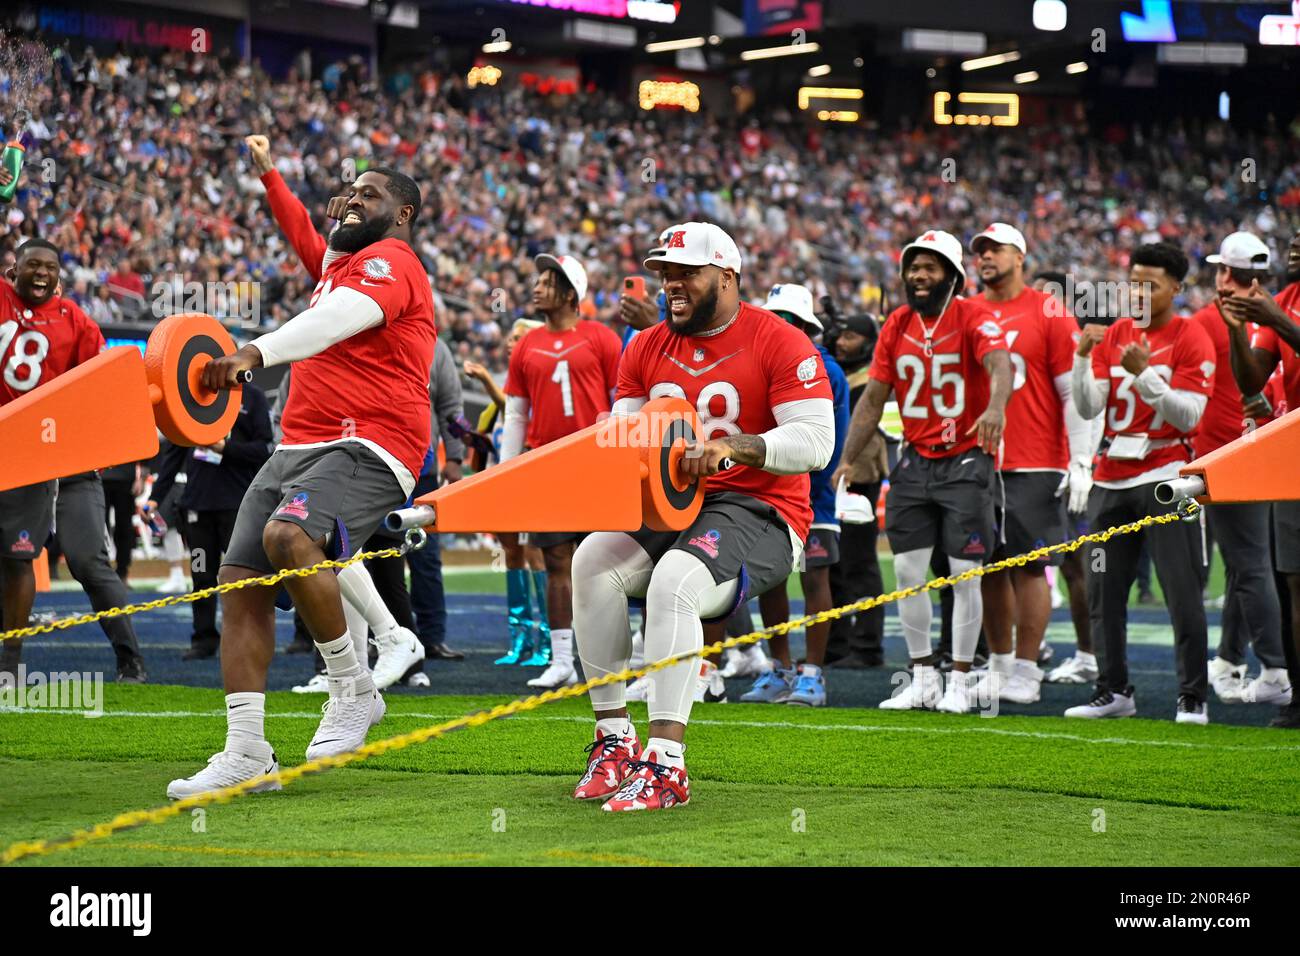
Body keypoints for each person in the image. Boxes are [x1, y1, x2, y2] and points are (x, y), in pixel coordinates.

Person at [167, 138, 436, 798]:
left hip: (371, 443)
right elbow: (300, 230)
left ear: (402, 214)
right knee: (239, 581)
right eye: (349, 191)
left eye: (369, 194)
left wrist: (255, 350)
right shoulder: (337, 268)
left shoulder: (392, 261)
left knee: (291, 539)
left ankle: (353, 684)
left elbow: (338, 321)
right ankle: (247, 752)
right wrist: (268, 173)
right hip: (300, 444)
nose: (352, 199)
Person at [571, 222, 834, 810]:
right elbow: (626, 435)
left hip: (761, 508)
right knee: (591, 561)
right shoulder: (644, 345)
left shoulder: (780, 341)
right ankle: (614, 741)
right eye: (666, 273)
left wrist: (735, 447)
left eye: (686, 272)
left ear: (727, 275)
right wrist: (605, 442)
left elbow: (817, 441)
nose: (672, 285)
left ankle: (666, 764)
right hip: (674, 504)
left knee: (675, 582)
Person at [834, 229, 1012, 713]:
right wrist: (847, 456)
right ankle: (923, 676)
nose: (918, 275)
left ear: (952, 275)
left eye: (930, 267)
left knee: (965, 573)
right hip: (915, 458)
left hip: (967, 459)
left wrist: (995, 407)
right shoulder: (897, 322)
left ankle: (959, 677)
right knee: (909, 572)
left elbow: (1001, 364)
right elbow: (874, 396)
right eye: (914, 266)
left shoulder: (974, 314)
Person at [1067, 242, 1213, 723]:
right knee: (1103, 590)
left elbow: (1189, 415)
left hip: (1168, 475)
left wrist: (1146, 374)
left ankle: (1192, 694)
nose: (1139, 292)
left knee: (1181, 590)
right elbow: (1090, 407)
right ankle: (1113, 689)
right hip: (1112, 476)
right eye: (1133, 282)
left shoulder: (1191, 336)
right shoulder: (1116, 333)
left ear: (1176, 286)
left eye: (1150, 284)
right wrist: (1083, 358)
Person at [0, 236, 148, 683]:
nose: (41, 273)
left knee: (86, 560)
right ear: (14, 270)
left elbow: (101, 385)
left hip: (66, 461)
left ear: (61, 276)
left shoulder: (76, 321)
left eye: (50, 267)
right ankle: (10, 664)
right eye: (33, 265)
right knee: (12, 558)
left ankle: (130, 657)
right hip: (14, 456)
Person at [969, 223, 1094, 705]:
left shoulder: (1049, 310)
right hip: (978, 458)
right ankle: (999, 664)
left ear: (1019, 256)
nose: (985, 257)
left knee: (1029, 565)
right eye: (980, 251)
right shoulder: (969, 310)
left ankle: (1028, 666)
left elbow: (1072, 391)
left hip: (1035, 457)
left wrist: (1079, 459)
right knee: (986, 566)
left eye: (995, 250)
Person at [501, 254, 622, 690]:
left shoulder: (602, 337)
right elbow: (516, 413)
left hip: (596, 463)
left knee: (607, 562)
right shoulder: (527, 346)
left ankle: (615, 658)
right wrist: (506, 469)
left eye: (548, 282)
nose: (536, 287)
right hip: (546, 464)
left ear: (570, 293)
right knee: (555, 562)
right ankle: (562, 659)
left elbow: (620, 399)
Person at [1188, 233, 1291, 708]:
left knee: (1250, 567)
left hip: (1233, 451)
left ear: (1225, 273)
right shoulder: (1273, 303)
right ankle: (1235, 661)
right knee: (1257, 568)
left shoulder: (1259, 311)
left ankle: (1273, 666)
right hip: (1271, 450)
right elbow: (1252, 380)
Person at [742, 283, 848, 707]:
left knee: (816, 576)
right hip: (769, 490)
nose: (780, 325)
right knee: (771, 579)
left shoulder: (827, 369)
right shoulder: (758, 361)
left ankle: (813, 674)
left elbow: (830, 440)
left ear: (806, 326)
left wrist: (809, 475)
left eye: (788, 319)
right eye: (775, 317)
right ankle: (780, 667)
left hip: (813, 494)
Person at [1220, 229, 1300, 729]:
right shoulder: (1285, 298)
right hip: (1293, 452)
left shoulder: (1280, 308)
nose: (1294, 249)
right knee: (1292, 580)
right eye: (1294, 241)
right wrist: (1234, 328)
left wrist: (1279, 321)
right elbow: (1251, 379)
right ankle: (1298, 699)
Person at [149, 384, 274, 660]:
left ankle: (249, 637)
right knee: (201, 575)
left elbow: (265, 448)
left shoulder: (252, 397)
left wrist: (226, 448)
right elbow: (174, 453)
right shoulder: (190, 400)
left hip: (237, 505)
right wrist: (155, 498)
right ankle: (203, 638)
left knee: (244, 577)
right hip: (197, 507)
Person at [465, 319, 550, 666]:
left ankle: (546, 642)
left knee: (536, 557)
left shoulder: (535, 383)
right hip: (504, 484)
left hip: (531, 484)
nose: (511, 343)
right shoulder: (511, 383)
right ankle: (519, 640)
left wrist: (485, 379)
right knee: (512, 556)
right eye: (511, 338)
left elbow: (512, 410)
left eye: (518, 338)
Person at [824, 312, 888, 670]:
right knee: (834, 565)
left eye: (851, 337)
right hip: (836, 477)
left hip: (860, 476)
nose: (843, 342)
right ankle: (837, 643)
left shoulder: (873, 377)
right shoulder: (846, 374)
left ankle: (867, 645)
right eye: (841, 336)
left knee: (859, 563)